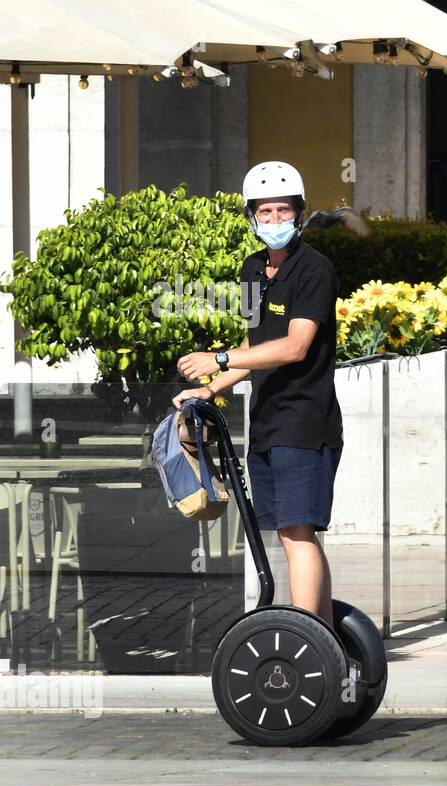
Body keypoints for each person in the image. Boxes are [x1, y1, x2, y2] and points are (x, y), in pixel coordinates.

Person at [174, 161, 344, 627]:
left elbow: (295, 346)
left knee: (298, 533)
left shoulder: (315, 269)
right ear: (251, 216)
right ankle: (323, 639)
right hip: (266, 421)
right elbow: (256, 342)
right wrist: (209, 388)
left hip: (305, 422)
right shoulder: (254, 269)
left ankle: (308, 637)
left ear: (301, 213)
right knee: (289, 533)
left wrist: (220, 360)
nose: (274, 221)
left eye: (283, 211)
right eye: (265, 212)